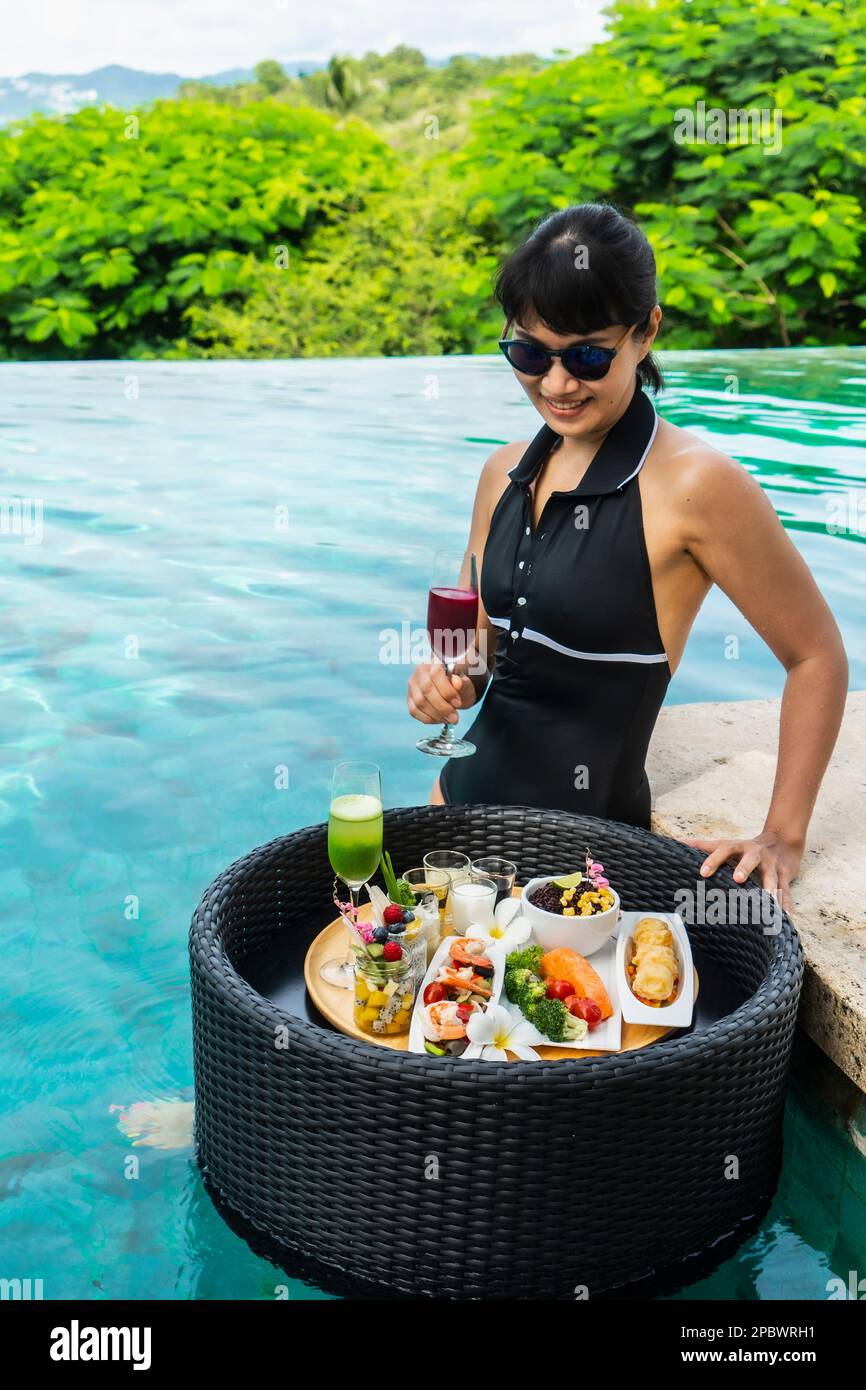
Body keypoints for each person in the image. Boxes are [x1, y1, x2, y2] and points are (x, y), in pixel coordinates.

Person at [406, 203, 847, 911]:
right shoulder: (502, 473)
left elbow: (817, 655)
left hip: (584, 874)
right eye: (529, 353)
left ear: (645, 333)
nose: (555, 384)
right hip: (453, 822)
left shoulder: (697, 486)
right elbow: (484, 657)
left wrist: (782, 836)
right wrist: (445, 685)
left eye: (586, 356)